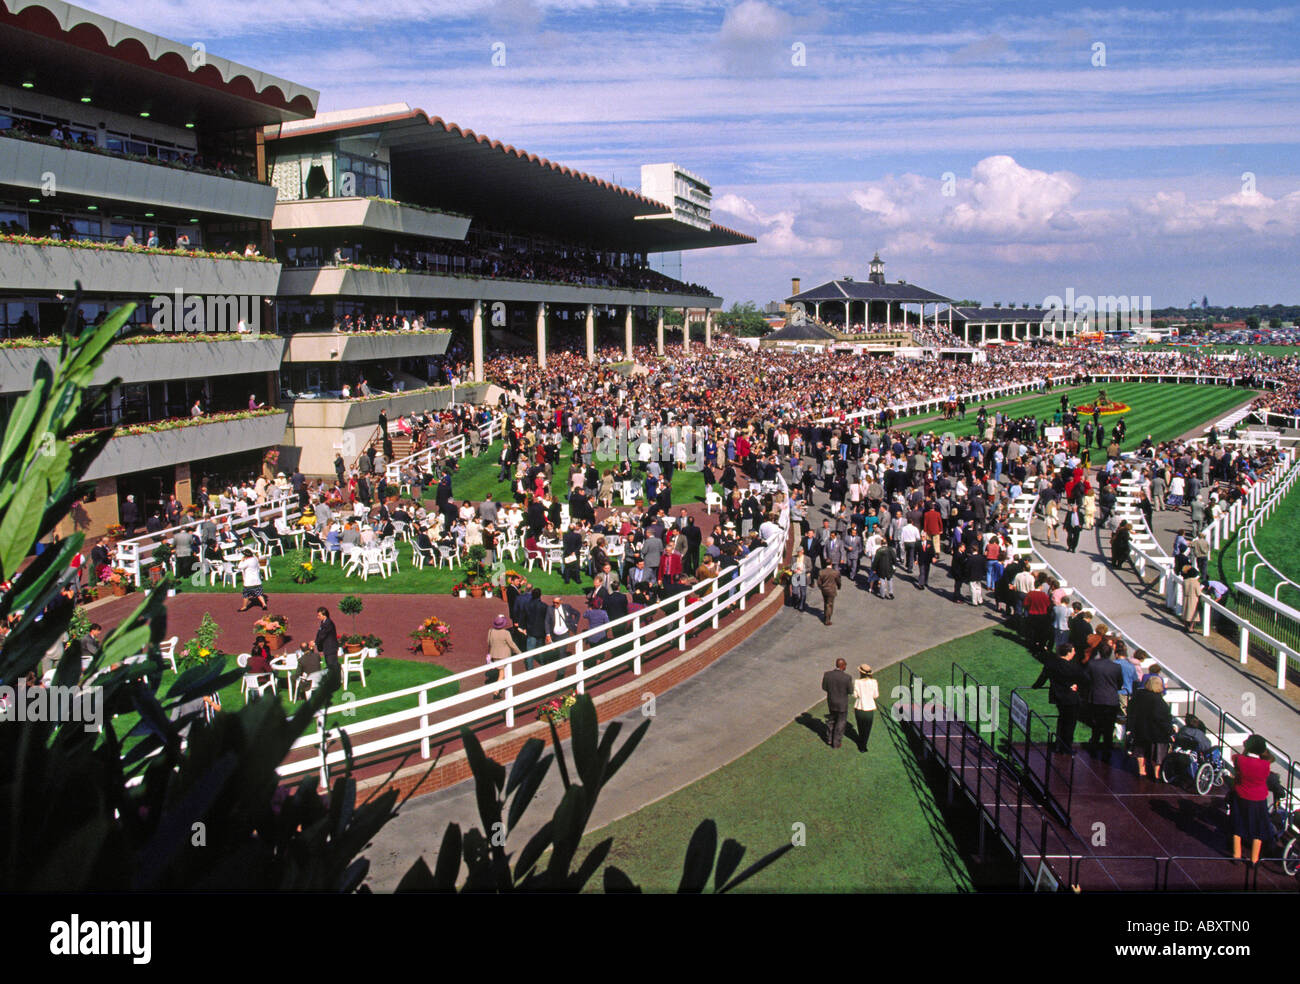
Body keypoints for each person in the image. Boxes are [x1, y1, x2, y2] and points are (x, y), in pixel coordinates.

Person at [1230, 734, 1274, 866]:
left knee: (1237, 825)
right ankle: (1254, 860)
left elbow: (1237, 758)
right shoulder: (1265, 765)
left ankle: (1236, 855)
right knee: (1258, 830)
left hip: (1241, 796)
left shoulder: (1239, 760)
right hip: (1258, 799)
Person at [1126, 677, 1173, 781]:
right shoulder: (1159, 701)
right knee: (1157, 755)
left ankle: (1141, 771)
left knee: (1140, 751)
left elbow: (1130, 710)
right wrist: (1170, 731)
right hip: (1156, 733)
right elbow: (1162, 719)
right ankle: (1156, 774)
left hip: (1140, 730)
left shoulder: (1138, 696)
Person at [821, 657, 853, 749]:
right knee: (841, 723)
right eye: (845, 665)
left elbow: (824, 687)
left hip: (831, 702)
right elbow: (850, 691)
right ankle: (836, 743)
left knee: (831, 720)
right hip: (842, 704)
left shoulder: (827, 675)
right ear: (842, 666)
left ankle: (829, 739)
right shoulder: (847, 677)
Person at [487, 613, 520, 699]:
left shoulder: (490, 631)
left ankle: (499, 689)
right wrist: (519, 652)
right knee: (502, 674)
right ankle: (496, 691)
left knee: (503, 673)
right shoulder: (506, 633)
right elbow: (511, 644)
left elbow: (488, 643)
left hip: (494, 654)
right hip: (504, 656)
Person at [852, 664, 879, 753]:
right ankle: (863, 745)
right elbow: (876, 695)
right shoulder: (874, 682)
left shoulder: (857, 682)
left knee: (860, 727)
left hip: (859, 707)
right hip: (869, 708)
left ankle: (861, 743)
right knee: (867, 728)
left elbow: (855, 695)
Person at [312, 606, 340, 675]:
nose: (317, 617)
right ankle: (334, 678)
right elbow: (320, 633)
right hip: (327, 648)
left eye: (319, 615)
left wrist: (315, 642)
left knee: (332, 664)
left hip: (330, 648)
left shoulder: (328, 623)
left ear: (324, 615)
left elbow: (323, 634)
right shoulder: (324, 622)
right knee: (330, 664)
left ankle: (335, 679)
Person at [817, 562, 841, 626]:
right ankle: (827, 620)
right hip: (831, 590)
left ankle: (825, 615)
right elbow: (838, 581)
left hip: (824, 590)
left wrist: (821, 587)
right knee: (830, 604)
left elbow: (819, 582)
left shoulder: (821, 572)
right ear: (831, 564)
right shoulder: (835, 572)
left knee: (825, 602)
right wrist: (839, 587)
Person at [1181, 564, 1203, 630]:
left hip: (1185, 597)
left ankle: (1185, 626)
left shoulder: (1185, 581)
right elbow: (1198, 593)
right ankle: (1191, 627)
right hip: (1193, 599)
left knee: (1185, 612)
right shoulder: (1196, 582)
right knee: (1193, 614)